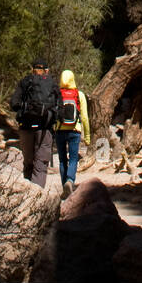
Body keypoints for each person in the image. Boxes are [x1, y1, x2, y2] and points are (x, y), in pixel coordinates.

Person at [10, 57, 61, 188]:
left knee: (28, 163)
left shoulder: (25, 82)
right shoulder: (52, 84)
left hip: (26, 127)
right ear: (47, 70)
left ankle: (27, 192)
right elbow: (60, 109)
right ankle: (37, 195)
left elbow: (14, 104)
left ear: (32, 69)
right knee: (41, 165)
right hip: (45, 129)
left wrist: (25, 108)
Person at [54, 68, 91, 198]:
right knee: (74, 158)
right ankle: (70, 181)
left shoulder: (56, 94)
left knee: (62, 160)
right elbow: (85, 117)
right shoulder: (79, 94)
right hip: (75, 131)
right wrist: (87, 136)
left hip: (59, 130)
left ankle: (64, 185)